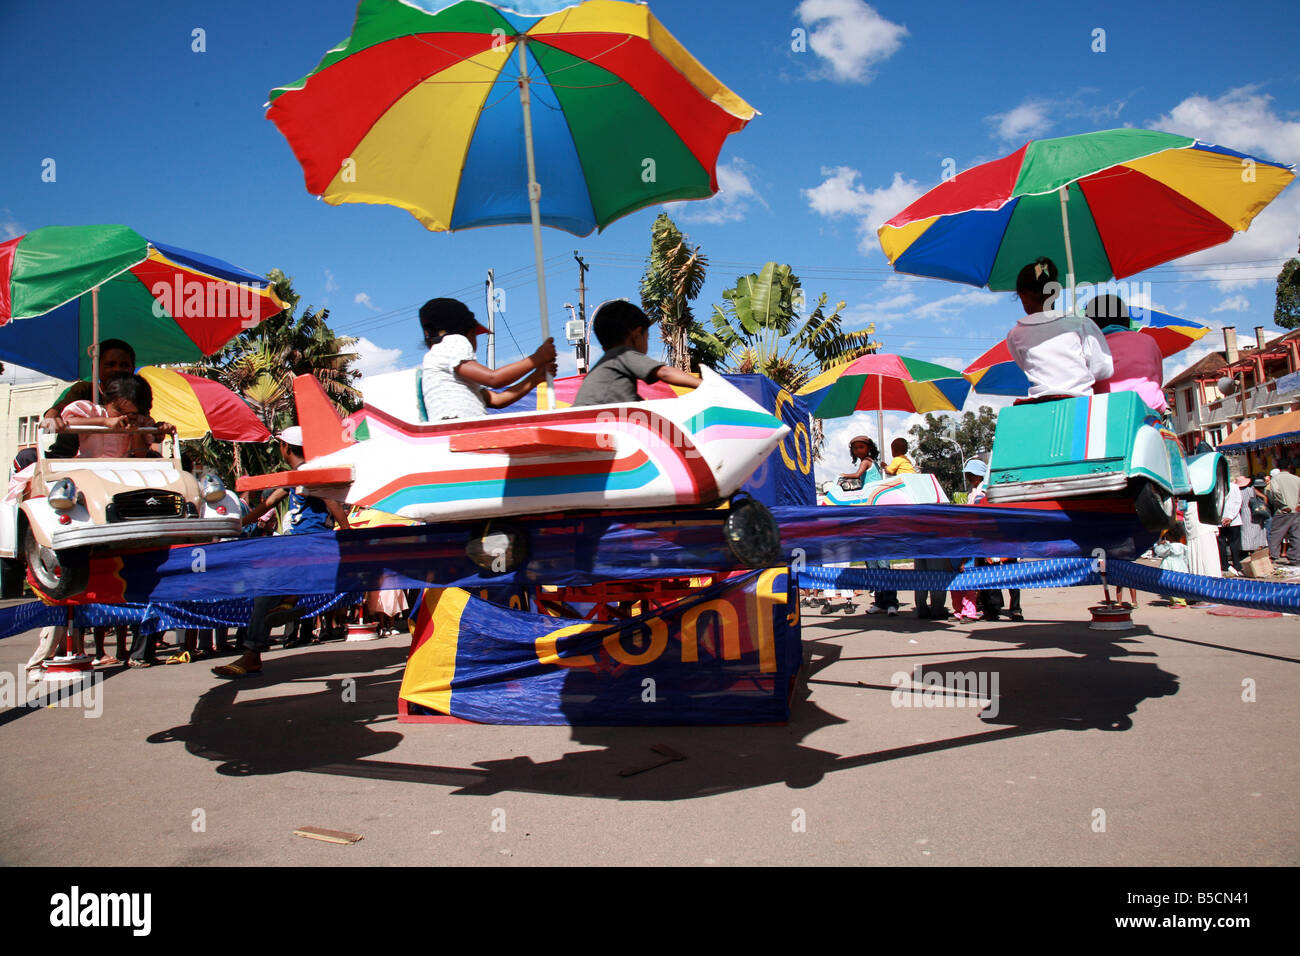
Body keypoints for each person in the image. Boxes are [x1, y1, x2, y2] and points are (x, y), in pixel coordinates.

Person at [212, 427, 351, 679]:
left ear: (286, 448)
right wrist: (238, 525)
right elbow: (265, 505)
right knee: (264, 594)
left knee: (264, 591)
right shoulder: (295, 477)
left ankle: (255, 649)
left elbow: (332, 503)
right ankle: (286, 604)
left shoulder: (310, 476)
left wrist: (349, 534)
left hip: (305, 542)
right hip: (301, 543)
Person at [419, 298, 555, 420]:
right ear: (469, 332)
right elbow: (494, 379)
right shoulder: (453, 342)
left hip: (451, 431)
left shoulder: (448, 375)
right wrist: (537, 358)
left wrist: (536, 377)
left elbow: (497, 400)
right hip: (457, 426)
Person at [1005, 257, 1113, 399]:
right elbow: (1103, 369)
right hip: (1081, 402)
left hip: (1039, 404)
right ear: (1055, 293)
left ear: (1021, 294)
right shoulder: (1080, 323)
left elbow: (1026, 367)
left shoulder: (1015, 334)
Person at [572, 300, 701, 406]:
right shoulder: (622, 354)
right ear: (637, 335)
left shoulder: (607, 368)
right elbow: (665, 373)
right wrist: (707, 384)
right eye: (647, 337)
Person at [41, 338, 139, 458]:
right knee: (27, 457)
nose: (117, 369)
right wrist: (52, 419)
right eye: (110, 364)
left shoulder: (137, 395)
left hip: (123, 462)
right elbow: (54, 413)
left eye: (124, 365)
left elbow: (145, 422)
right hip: (66, 457)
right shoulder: (83, 389)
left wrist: (158, 428)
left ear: (133, 369)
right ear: (95, 368)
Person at [1084, 294, 1167, 413]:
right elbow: (1158, 378)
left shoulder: (1089, 346)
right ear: (1126, 320)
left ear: (1090, 323)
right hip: (1149, 407)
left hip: (1105, 409)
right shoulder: (1148, 341)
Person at [1265, 465, 1300, 566]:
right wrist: (1298, 505)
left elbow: (1275, 492)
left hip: (1283, 511)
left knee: (1276, 534)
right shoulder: (1297, 478)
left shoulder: (1276, 479)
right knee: (1296, 536)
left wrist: (1283, 505)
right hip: (1296, 511)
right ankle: (1296, 558)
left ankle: (1273, 556)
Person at [1154, 526, 1190, 607]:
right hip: (1181, 566)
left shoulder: (1169, 546)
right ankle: (1179, 601)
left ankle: (1178, 602)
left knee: (1171, 585)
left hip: (1170, 567)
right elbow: (1186, 557)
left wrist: (1157, 545)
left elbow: (1160, 552)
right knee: (1180, 584)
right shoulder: (1183, 546)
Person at [1218, 475, 1244, 575]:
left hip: (1222, 520)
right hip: (1233, 520)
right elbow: (1238, 502)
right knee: (1234, 543)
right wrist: (1231, 517)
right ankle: (1236, 564)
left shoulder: (1215, 487)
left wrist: (1226, 517)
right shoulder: (1234, 487)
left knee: (1222, 543)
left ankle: (1225, 565)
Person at [1240, 477, 1269, 557]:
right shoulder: (1251, 490)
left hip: (1244, 513)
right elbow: (1264, 497)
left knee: (1246, 533)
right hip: (1253, 512)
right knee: (1256, 532)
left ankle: (1246, 552)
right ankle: (1255, 551)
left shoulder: (1239, 491)